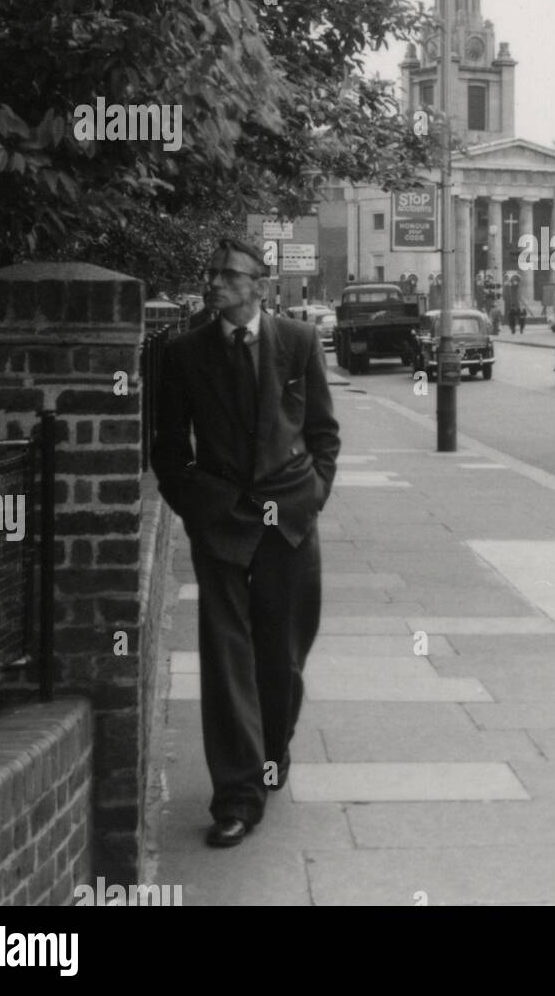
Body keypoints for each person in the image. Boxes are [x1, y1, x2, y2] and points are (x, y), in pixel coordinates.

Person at [153, 239, 340, 849]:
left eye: (227, 275)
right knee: (226, 657)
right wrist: (196, 508)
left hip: (289, 514)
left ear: (260, 285)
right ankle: (237, 796)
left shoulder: (299, 342)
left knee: (283, 655)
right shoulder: (183, 352)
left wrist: (314, 494)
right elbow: (168, 447)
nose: (213, 282)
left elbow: (323, 432)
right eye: (209, 273)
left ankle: (272, 748)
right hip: (221, 521)